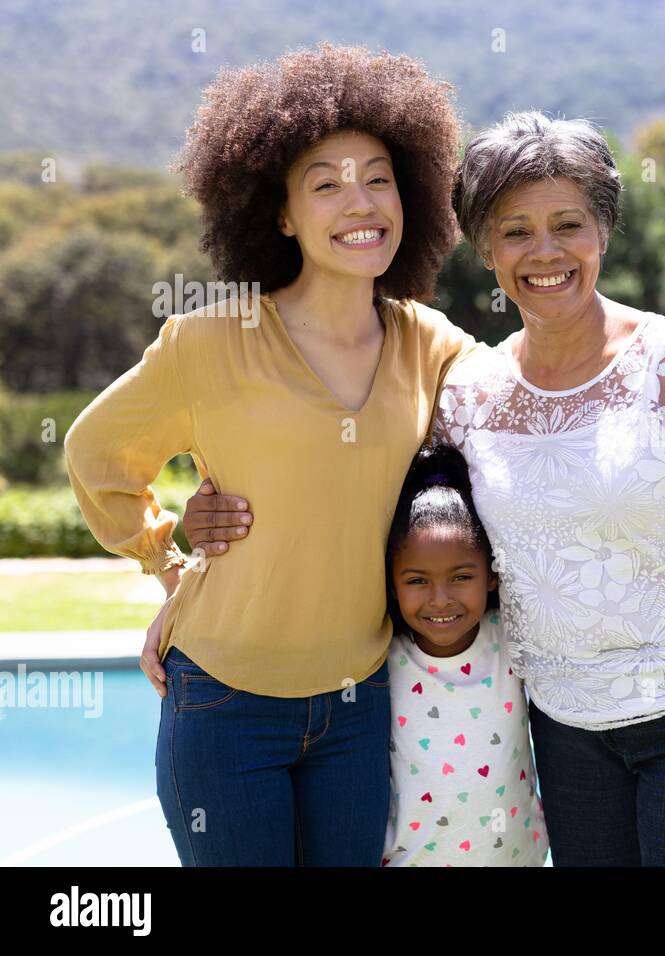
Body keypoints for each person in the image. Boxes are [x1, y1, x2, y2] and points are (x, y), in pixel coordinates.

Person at [182, 111, 665, 866]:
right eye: (515, 231)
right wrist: (205, 550)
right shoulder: (471, 395)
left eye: (568, 225)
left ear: (603, 233)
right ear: (484, 248)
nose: (545, 252)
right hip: (565, 731)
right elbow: (361, 505)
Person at [63, 44, 478, 865]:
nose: (360, 201)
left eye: (379, 176)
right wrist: (169, 562)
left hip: (359, 704)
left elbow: (522, 416)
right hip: (223, 706)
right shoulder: (209, 341)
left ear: (413, 193)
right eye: (325, 182)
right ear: (280, 214)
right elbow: (95, 452)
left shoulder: (430, 345)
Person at [380, 441, 548, 866]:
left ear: (491, 576)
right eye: (417, 580)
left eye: (460, 577)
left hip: (515, 858)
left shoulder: (510, 637)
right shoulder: (382, 657)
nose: (440, 599)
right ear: (392, 585)